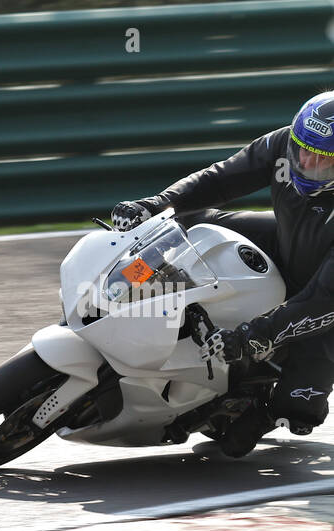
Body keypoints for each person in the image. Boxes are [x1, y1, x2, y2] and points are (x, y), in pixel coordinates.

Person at [110, 90, 334, 456]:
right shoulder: (284, 143)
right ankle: (127, 279)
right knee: (187, 220)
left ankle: (254, 407)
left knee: (296, 412)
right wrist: (156, 204)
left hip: (326, 295)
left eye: (323, 160)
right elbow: (220, 179)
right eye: (302, 149)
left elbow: (323, 300)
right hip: (289, 242)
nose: (306, 163)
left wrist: (253, 334)